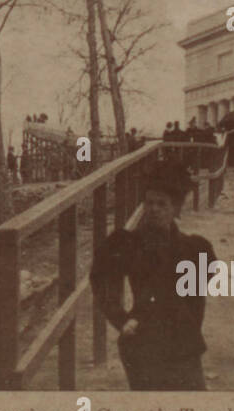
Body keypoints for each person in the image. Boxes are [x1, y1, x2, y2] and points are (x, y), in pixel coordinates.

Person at [90, 159, 216, 390]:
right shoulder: (127, 243)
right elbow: (102, 279)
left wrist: (190, 327)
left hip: (182, 341)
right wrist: (120, 319)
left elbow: (197, 301)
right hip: (142, 338)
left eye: (162, 203)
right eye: (149, 203)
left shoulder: (195, 248)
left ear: (176, 208)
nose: (154, 209)